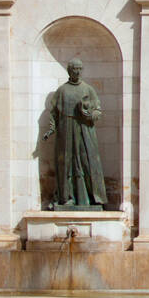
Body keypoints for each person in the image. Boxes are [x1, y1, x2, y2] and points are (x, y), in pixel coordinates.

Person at [42, 58, 108, 209]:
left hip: (84, 130)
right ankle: (66, 198)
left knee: (86, 162)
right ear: (69, 70)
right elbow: (54, 113)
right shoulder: (62, 91)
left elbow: (97, 110)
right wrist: (51, 129)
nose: (77, 72)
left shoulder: (88, 89)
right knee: (66, 164)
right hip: (65, 131)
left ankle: (91, 198)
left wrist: (91, 115)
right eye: (74, 69)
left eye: (79, 69)